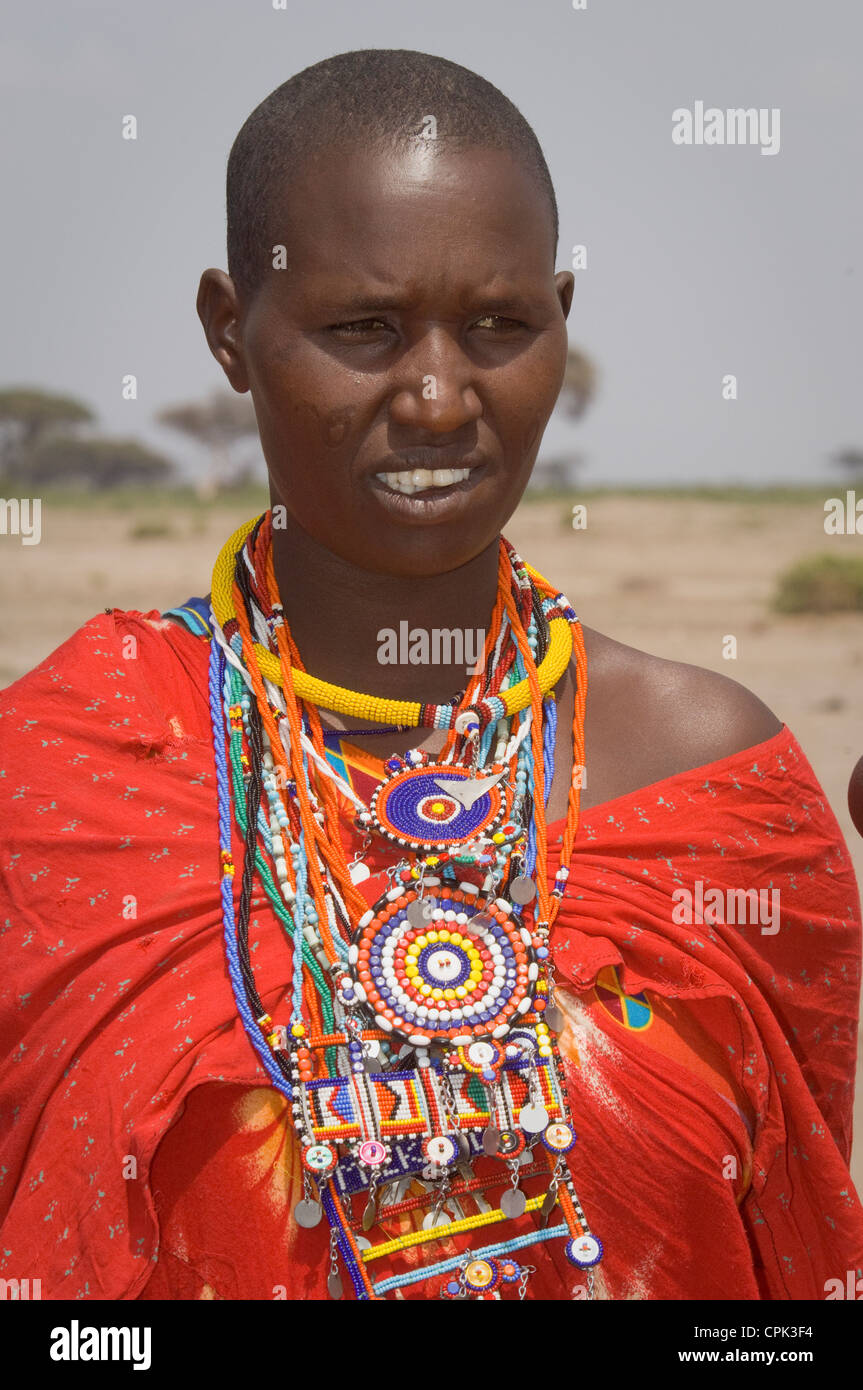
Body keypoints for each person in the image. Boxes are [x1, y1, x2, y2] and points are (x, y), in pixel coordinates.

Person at [1, 49, 861, 1303]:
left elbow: (793, 1246)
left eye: (501, 326)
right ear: (230, 332)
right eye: (365, 328)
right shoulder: (68, 772)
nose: (440, 398)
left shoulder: (713, 783)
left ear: (560, 318)